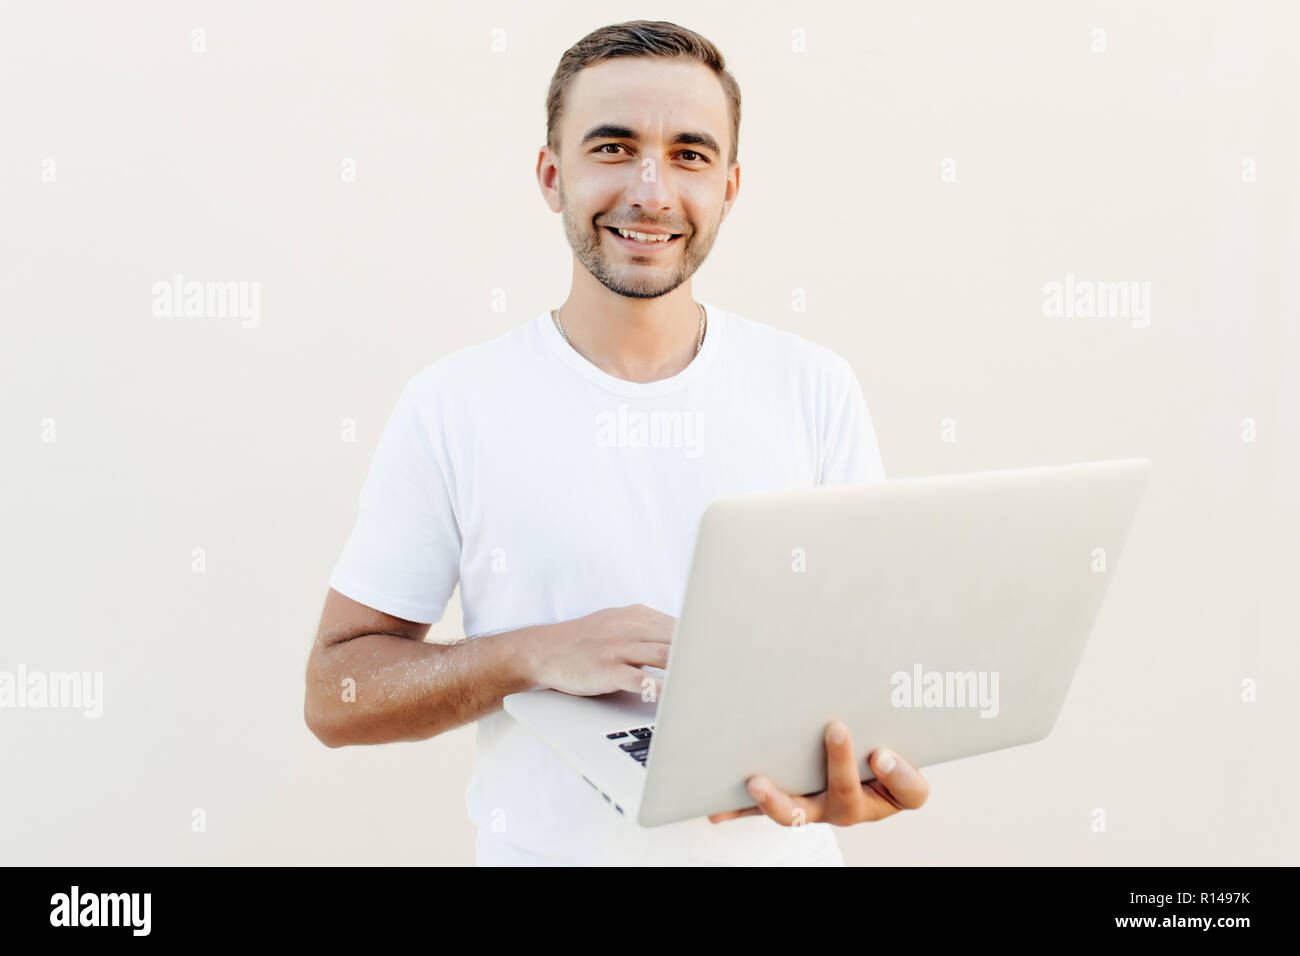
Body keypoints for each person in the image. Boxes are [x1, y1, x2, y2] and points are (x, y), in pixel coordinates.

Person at [304, 19, 929, 866]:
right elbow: (336, 696)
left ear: (731, 188)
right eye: (614, 147)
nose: (651, 190)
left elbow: (869, 667)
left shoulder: (812, 389)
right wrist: (533, 655)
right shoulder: (455, 405)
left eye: (690, 155)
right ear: (551, 175)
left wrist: (868, 770)